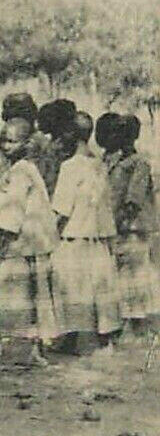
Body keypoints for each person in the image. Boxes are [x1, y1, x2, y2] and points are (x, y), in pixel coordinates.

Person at [0, 117, 62, 366]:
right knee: (35, 295)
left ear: (26, 143)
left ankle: (24, 349)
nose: (5, 146)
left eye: (11, 141)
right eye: (3, 140)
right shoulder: (24, 169)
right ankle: (32, 348)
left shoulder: (21, 171)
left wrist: (1, 237)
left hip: (21, 243)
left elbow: (14, 208)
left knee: (15, 294)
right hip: (33, 243)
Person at [49, 110, 122, 354]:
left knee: (72, 288)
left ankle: (74, 338)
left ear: (71, 135)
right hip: (96, 236)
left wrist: (49, 231)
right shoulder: (99, 165)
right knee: (98, 289)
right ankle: (103, 340)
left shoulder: (69, 167)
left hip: (74, 237)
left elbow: (62, 207)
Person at [102, 113, 157, 342]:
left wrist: (118, 222)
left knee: (135, 277)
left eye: (124, 132)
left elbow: (132, 201)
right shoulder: (112, 161)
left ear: (133, 136)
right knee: (121, 277)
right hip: (117, 227)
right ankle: (126, 324)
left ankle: (138, 327)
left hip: (132, 229)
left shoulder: (139, 163)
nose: (119, 136)